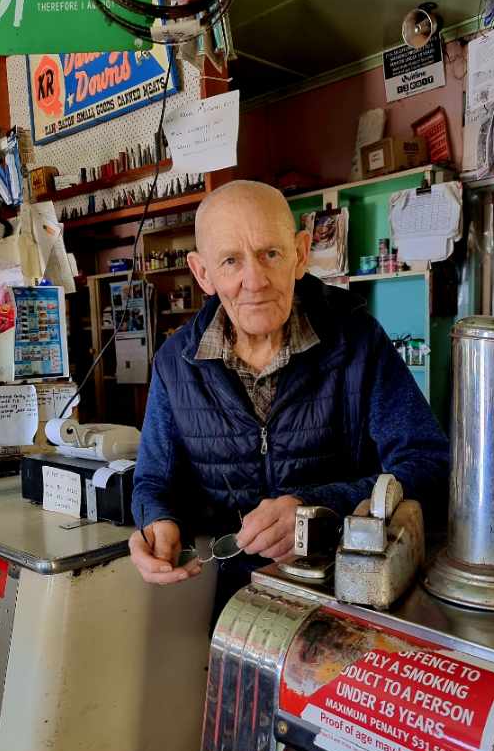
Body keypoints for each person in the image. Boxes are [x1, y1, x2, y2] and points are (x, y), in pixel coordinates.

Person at [129, 181, 449, 620]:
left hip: (351, 603)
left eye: (270, 254)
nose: (254, 281)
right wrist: (156, 522)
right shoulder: (175, 364)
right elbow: (153, 481)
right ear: (202, 273)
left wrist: (315, 507)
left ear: (300, 253)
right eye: (230, 261)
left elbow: (428, 466)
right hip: (239, 612)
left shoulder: (357, 342)